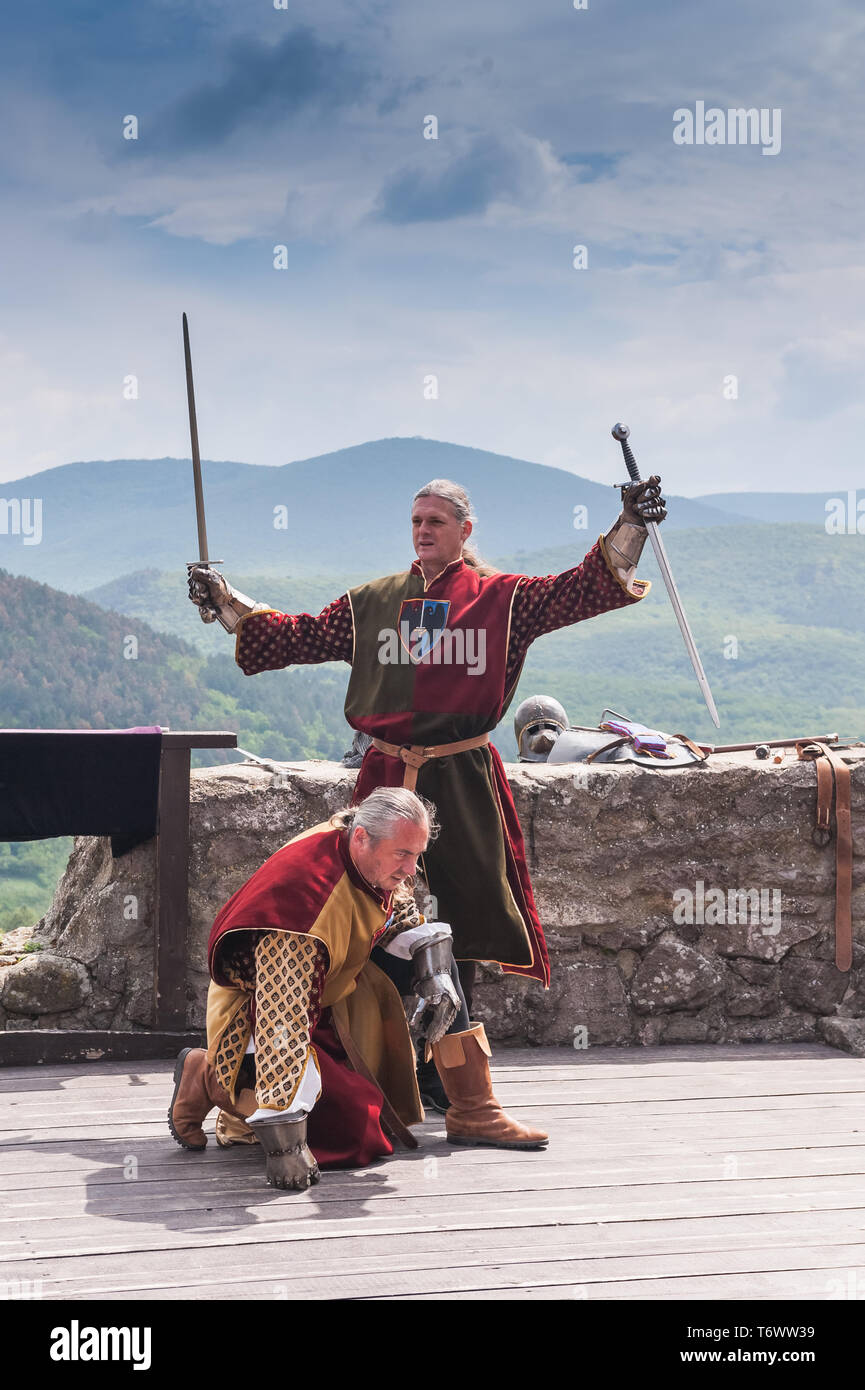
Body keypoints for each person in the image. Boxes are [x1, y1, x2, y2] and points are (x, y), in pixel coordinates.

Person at [187, 474, 665, 1015]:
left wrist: (631, 525)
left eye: (435, 521)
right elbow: (299, 635)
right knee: (373, 904)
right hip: (386, 779)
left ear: (464, 530)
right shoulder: (372, 603)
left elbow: (580, 589)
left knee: (457, 914)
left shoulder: (503, 599)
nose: (423, 531)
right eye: (416, 521)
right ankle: (383, 1052)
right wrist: (228, 602)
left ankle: (451, 1060)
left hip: (462, 778)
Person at [168, 787, 548, 1189]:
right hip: (262, 1013)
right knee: (353, 1134)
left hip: (330, 987)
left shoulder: (358, 845)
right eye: (403, 854)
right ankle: (210, 1075)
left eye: (417, 854)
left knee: (435, 955)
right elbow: (282, 1021)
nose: (411, 868)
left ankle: (475, 1109)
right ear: (364, 837)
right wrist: (285, 1150)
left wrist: (434, 977)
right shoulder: (302, 912)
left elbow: (394, 910)